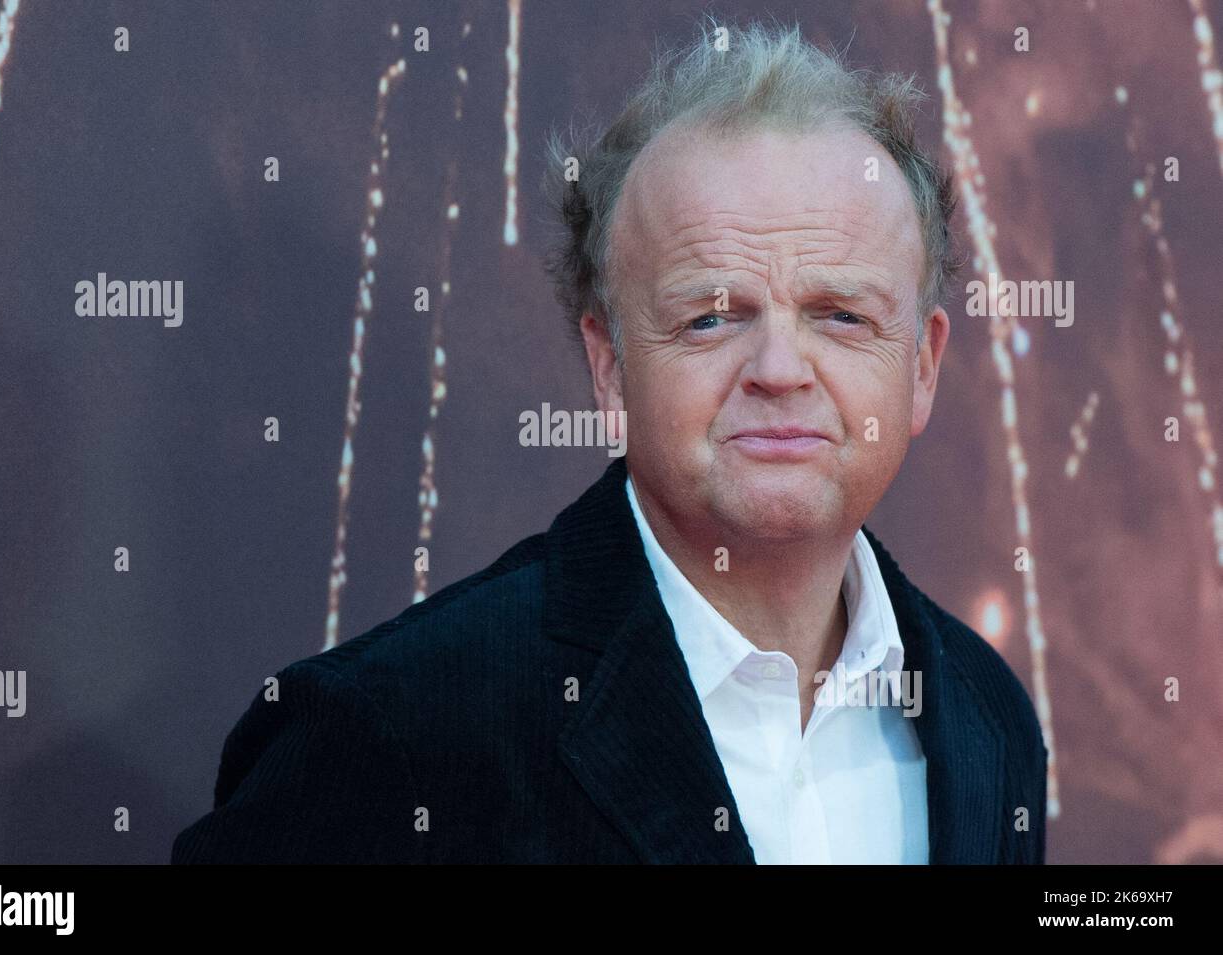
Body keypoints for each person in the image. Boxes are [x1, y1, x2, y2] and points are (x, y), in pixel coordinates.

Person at [173, 17, 1047, 864]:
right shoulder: (390, 730)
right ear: (609, 365)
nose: (781, 368)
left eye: (841, 315)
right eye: (711, 317)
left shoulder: (990, 723)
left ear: (923, 366)